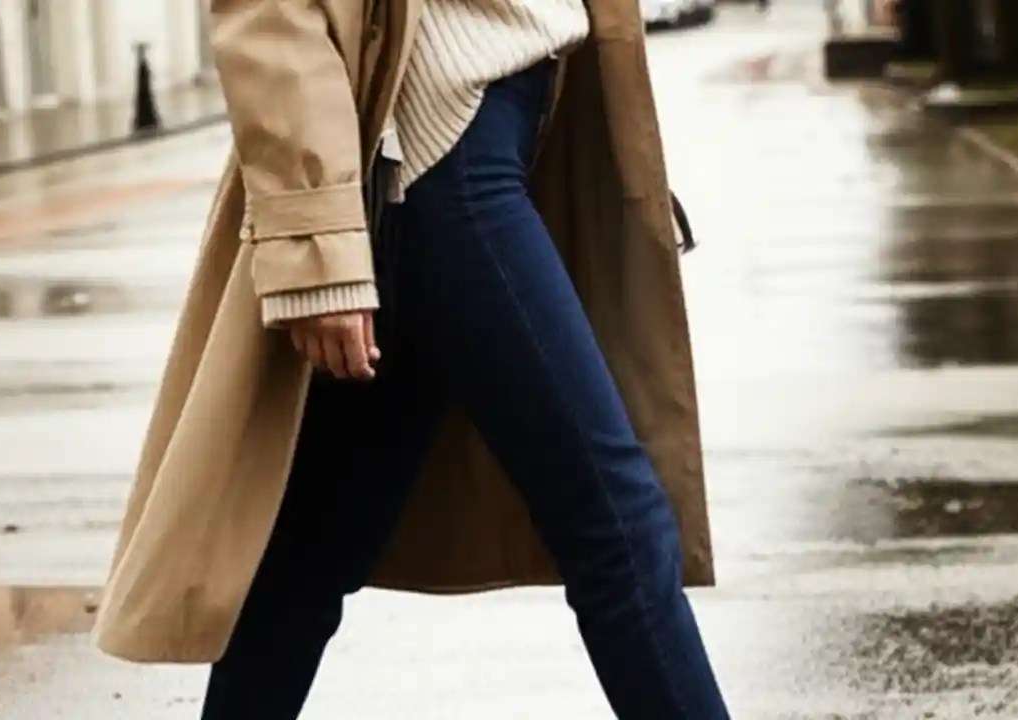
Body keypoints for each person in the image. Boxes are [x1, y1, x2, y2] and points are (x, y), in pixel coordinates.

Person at [93, 0, 730, 718]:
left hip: (500, 129)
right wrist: (318, 244)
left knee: (314, 549)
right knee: (616, 520)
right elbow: (272, 15)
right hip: (445, 156)